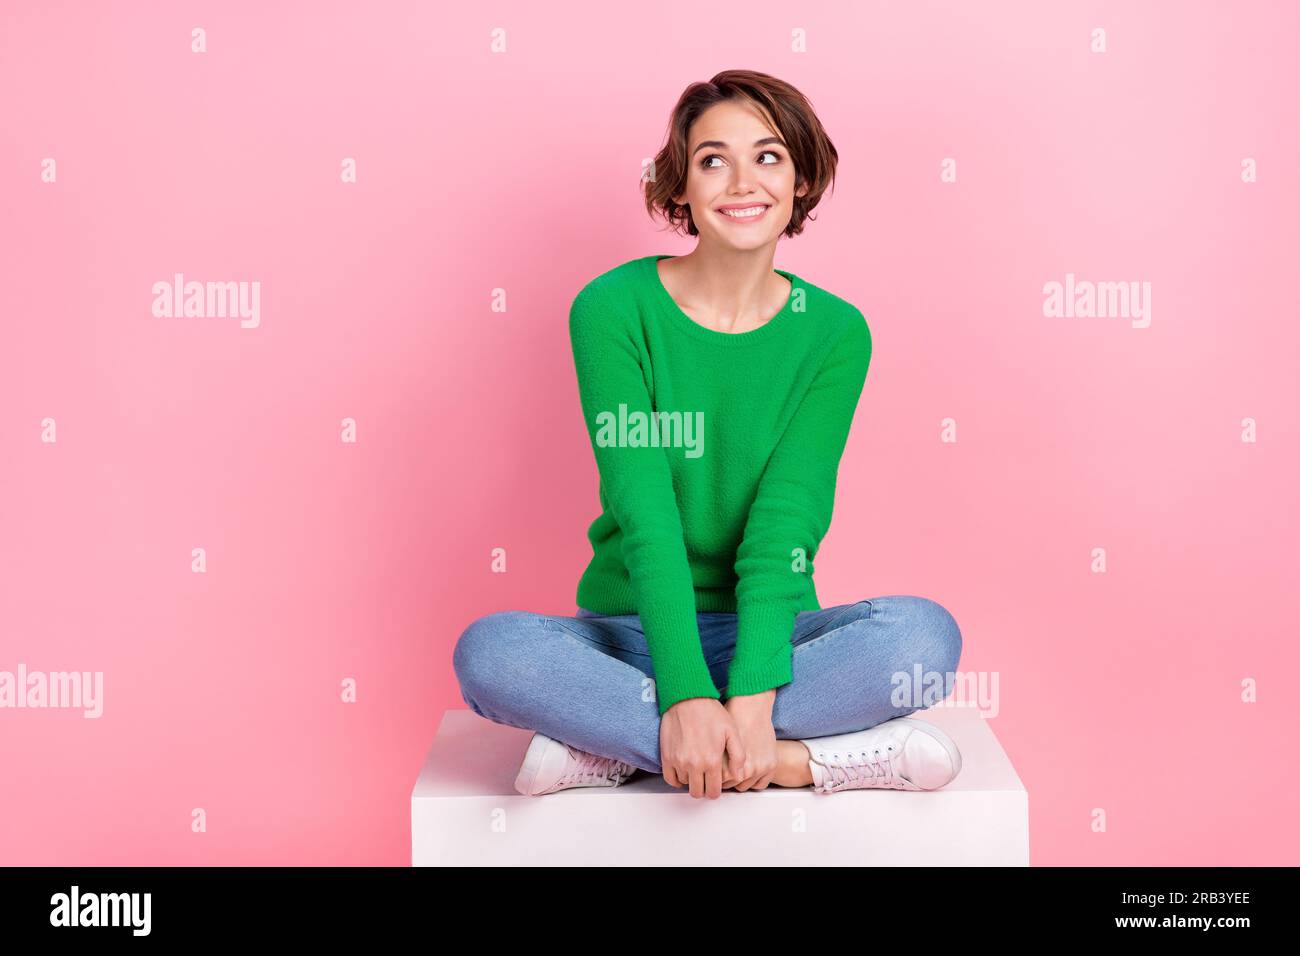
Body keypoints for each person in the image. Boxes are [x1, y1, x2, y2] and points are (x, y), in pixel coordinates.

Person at [453, 70, 963, 800]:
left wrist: (751, 693)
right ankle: (798, 759)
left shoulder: (833, 333)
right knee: (492, 653)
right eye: (712, 160)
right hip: (632, 639)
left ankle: (622, 749)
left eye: (769, 156)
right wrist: (685, 693)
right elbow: (646, 514)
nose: (740, 181)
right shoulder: (612, 308)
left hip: (774, 634)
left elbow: (788, 517)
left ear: (801, 180)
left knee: (923, 640)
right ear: (681, 187)